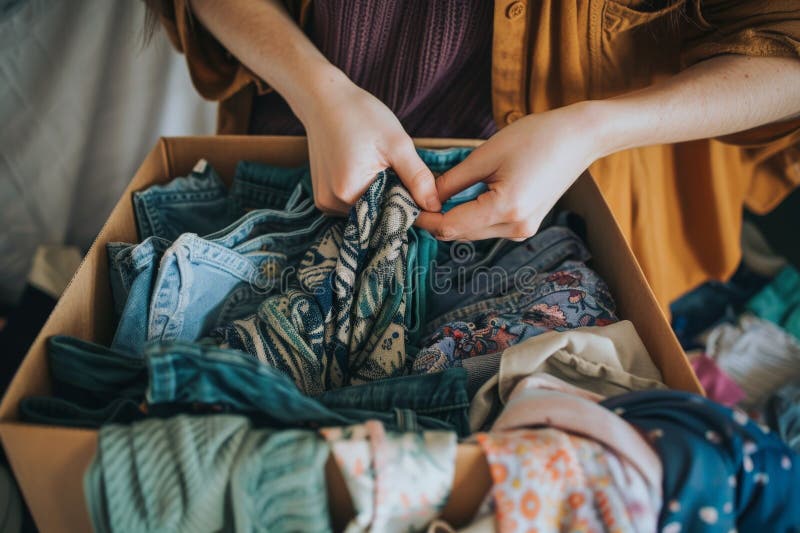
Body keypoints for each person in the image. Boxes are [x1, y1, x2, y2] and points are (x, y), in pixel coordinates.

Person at [146, 0, 800, 311]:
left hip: (592, 206)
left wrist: (593, 129)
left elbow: (786, 43)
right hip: (308, 160)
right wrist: (317, 90)